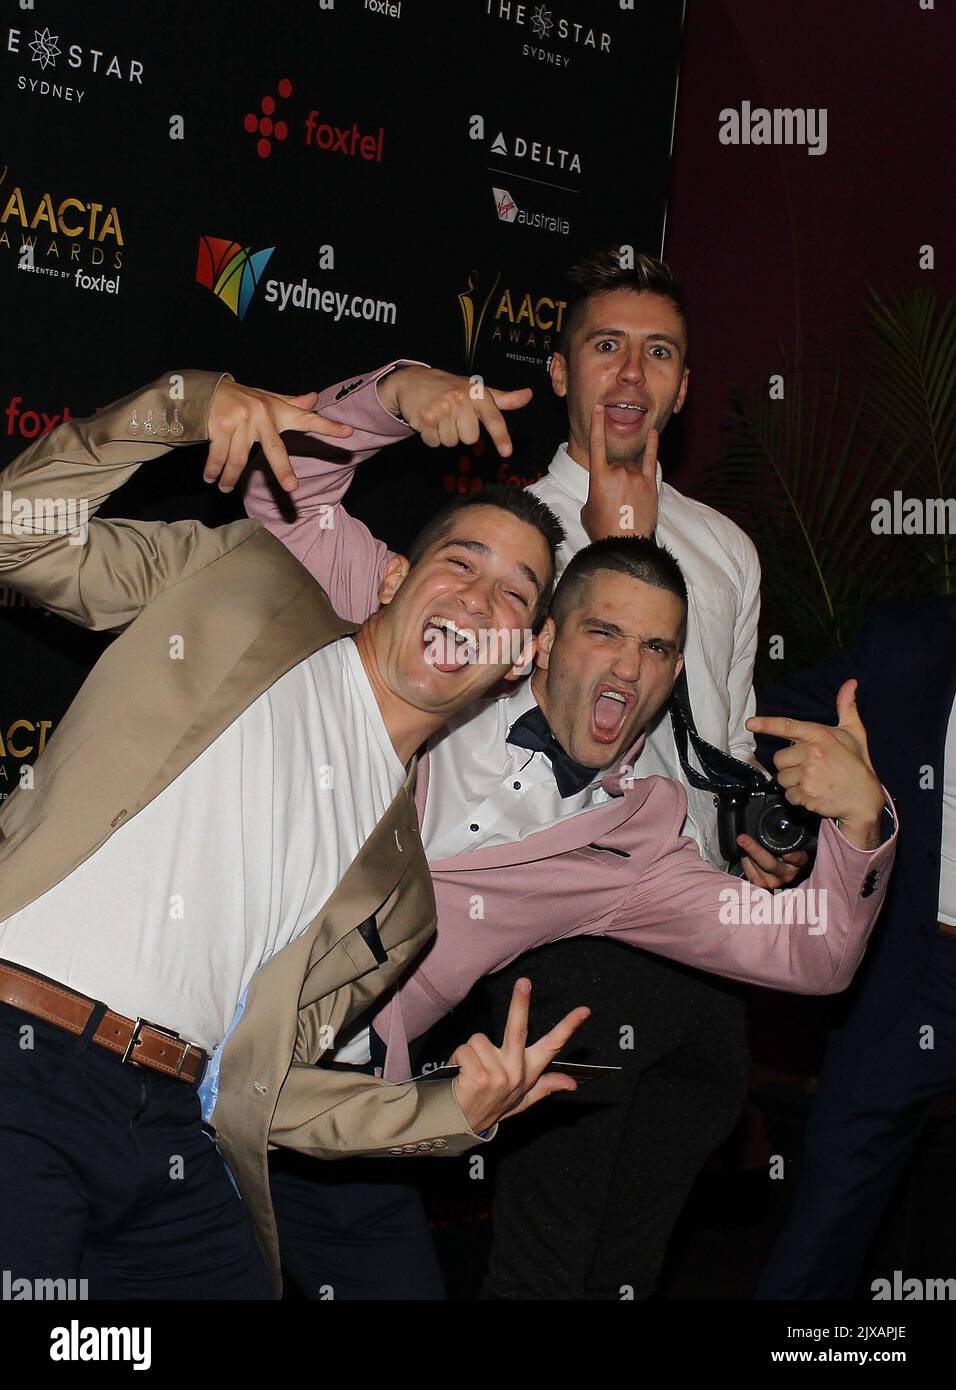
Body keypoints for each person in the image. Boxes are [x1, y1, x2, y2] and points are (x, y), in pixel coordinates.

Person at [243, 362, 897, 1300]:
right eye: (605, 633)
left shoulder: (636, 848)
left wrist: (863, 821)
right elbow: (294, 500)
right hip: (189, 1017)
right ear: (544, 639)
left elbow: (815, 953)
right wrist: (387, 401)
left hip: (335, 1109)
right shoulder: (438, 649)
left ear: (673, 679)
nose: (630, 664)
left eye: (658, 649)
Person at [0, 368, 592, 1301]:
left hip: (169, 1135)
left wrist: (450, 1110)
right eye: (461, 564)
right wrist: (183, 406)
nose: (479, 602)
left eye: (515, 597)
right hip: (19, 1046)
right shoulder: (238, 581)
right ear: (395, 574)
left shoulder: (401, 899)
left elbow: (270, 1090)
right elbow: (14, 532)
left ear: (519, 660)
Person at [754, 596, 956, 1299]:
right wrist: (813, 816)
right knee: (828, 1219)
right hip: (917, 966)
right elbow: (769, 727)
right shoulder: (911, 636)